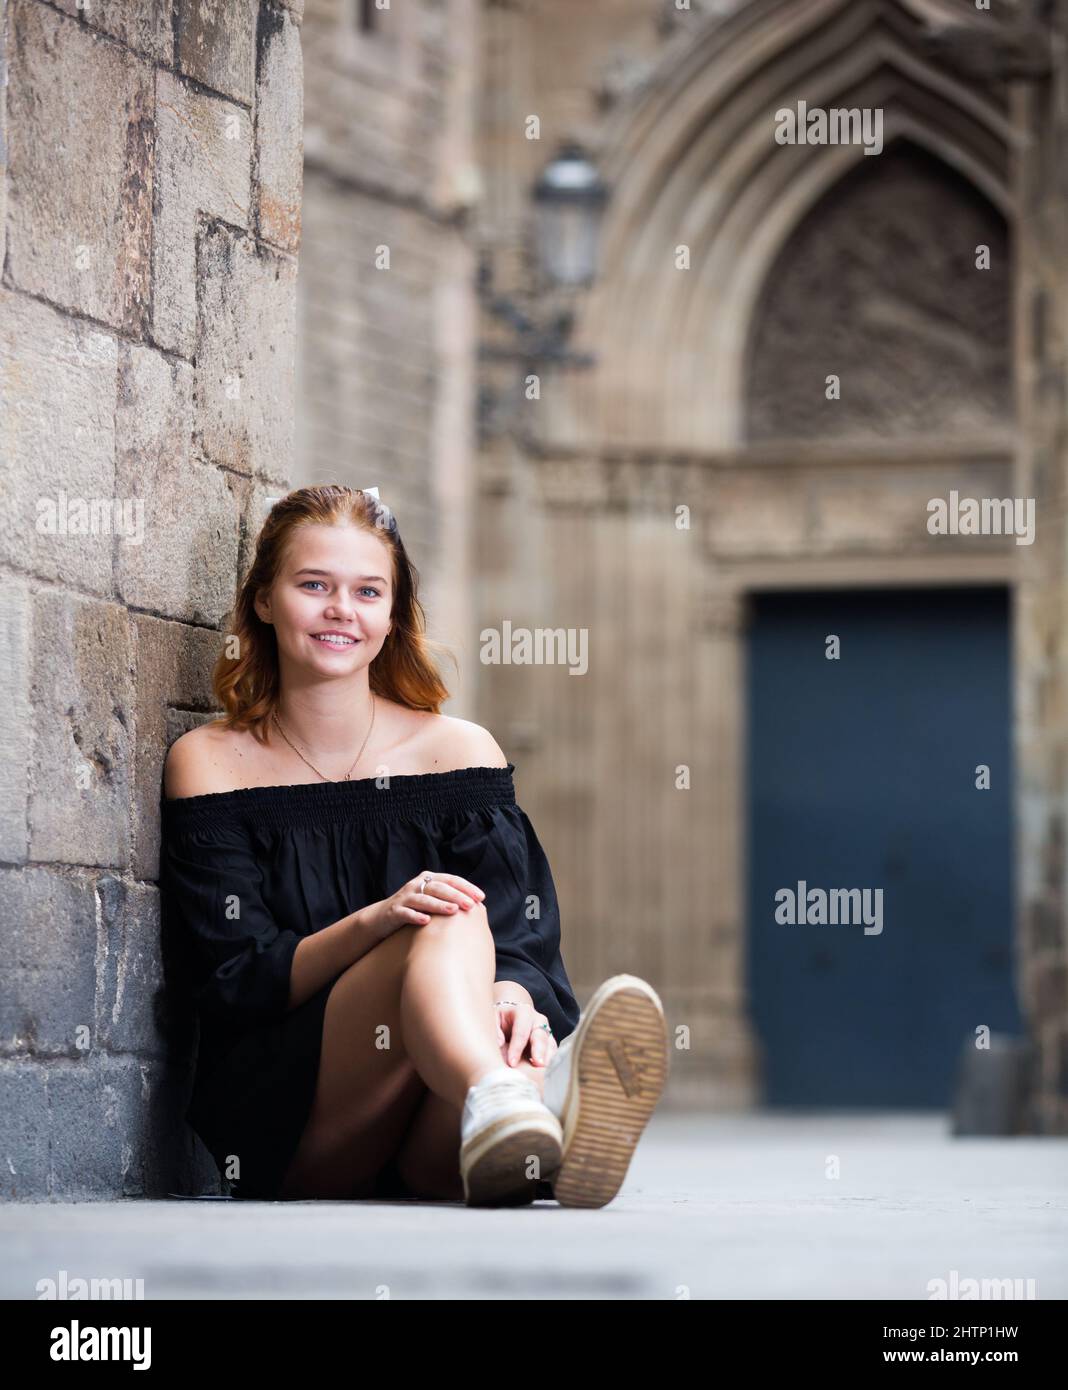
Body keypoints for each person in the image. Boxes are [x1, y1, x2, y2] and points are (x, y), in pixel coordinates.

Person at [160, 484, 668, 1206]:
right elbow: (239, 978)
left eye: (369, 591)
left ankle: (516, 1127)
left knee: (488, 973)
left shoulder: (458, 752)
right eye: (314, 585)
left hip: (432, 1119)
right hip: (296, 1126)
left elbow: (520, 936)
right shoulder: (209, 762)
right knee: (445, 913)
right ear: (265, 600)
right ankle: (525, 1112)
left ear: (393, 614)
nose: (342, 610)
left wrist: (513, 996)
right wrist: (379, 919)